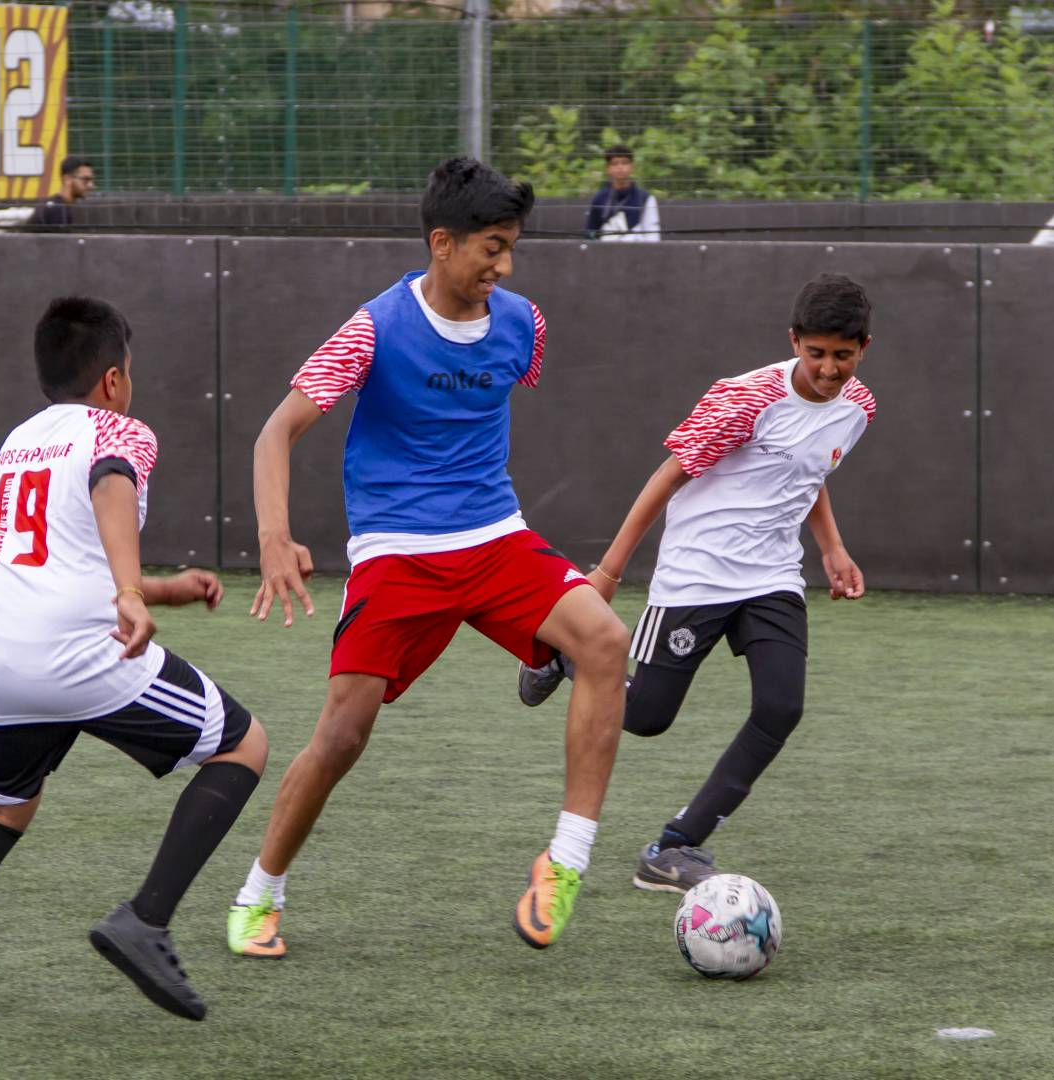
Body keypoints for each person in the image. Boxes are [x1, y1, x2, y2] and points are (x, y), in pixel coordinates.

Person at [227, 157, 628, 958]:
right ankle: (260, 891)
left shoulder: (524, 324)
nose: (503, 266)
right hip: (398, 553)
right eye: (490, 247)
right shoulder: (375, 327)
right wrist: (275, 536)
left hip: (495, 537)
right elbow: (277, 431)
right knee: (342, 734)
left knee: (607, 642)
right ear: (441, 244)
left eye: (512, 247)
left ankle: (567, 861)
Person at [0, 296, 267, 1023]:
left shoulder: (19, 439)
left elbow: (57, 550)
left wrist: (161, 590)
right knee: (243, 746)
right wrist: (128, 593)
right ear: (113, 378)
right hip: (76, 650)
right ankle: (145, 921)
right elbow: (111, 482)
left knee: (4, 804)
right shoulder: (122, 429)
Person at [517, 273, 877, 894]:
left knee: (781, 708)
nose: (828, 368)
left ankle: (675, 847)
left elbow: (809, 468)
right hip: (697, 573)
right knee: (649, 716)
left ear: (863, 348)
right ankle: (561, 654)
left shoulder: (859, 408)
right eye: (815, 353)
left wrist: (832, 548)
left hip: (771, 577)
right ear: (794, 341)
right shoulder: (744, 400)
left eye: (842, 356)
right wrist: (606, 573)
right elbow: (667, 477)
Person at [584, 145, 661, 243]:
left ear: (632, 167)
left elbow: (653, 238)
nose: (620, 167)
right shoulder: (599, 199)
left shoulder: (646, 199)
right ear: (608, 169)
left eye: (624, 163)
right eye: (615, 164)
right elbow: (591, 235)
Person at [28, 156, 96, 229]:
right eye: (85, 179)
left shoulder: (58, 206)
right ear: (67, 179)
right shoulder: (57, 210)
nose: (91, 185)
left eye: (91, 180)